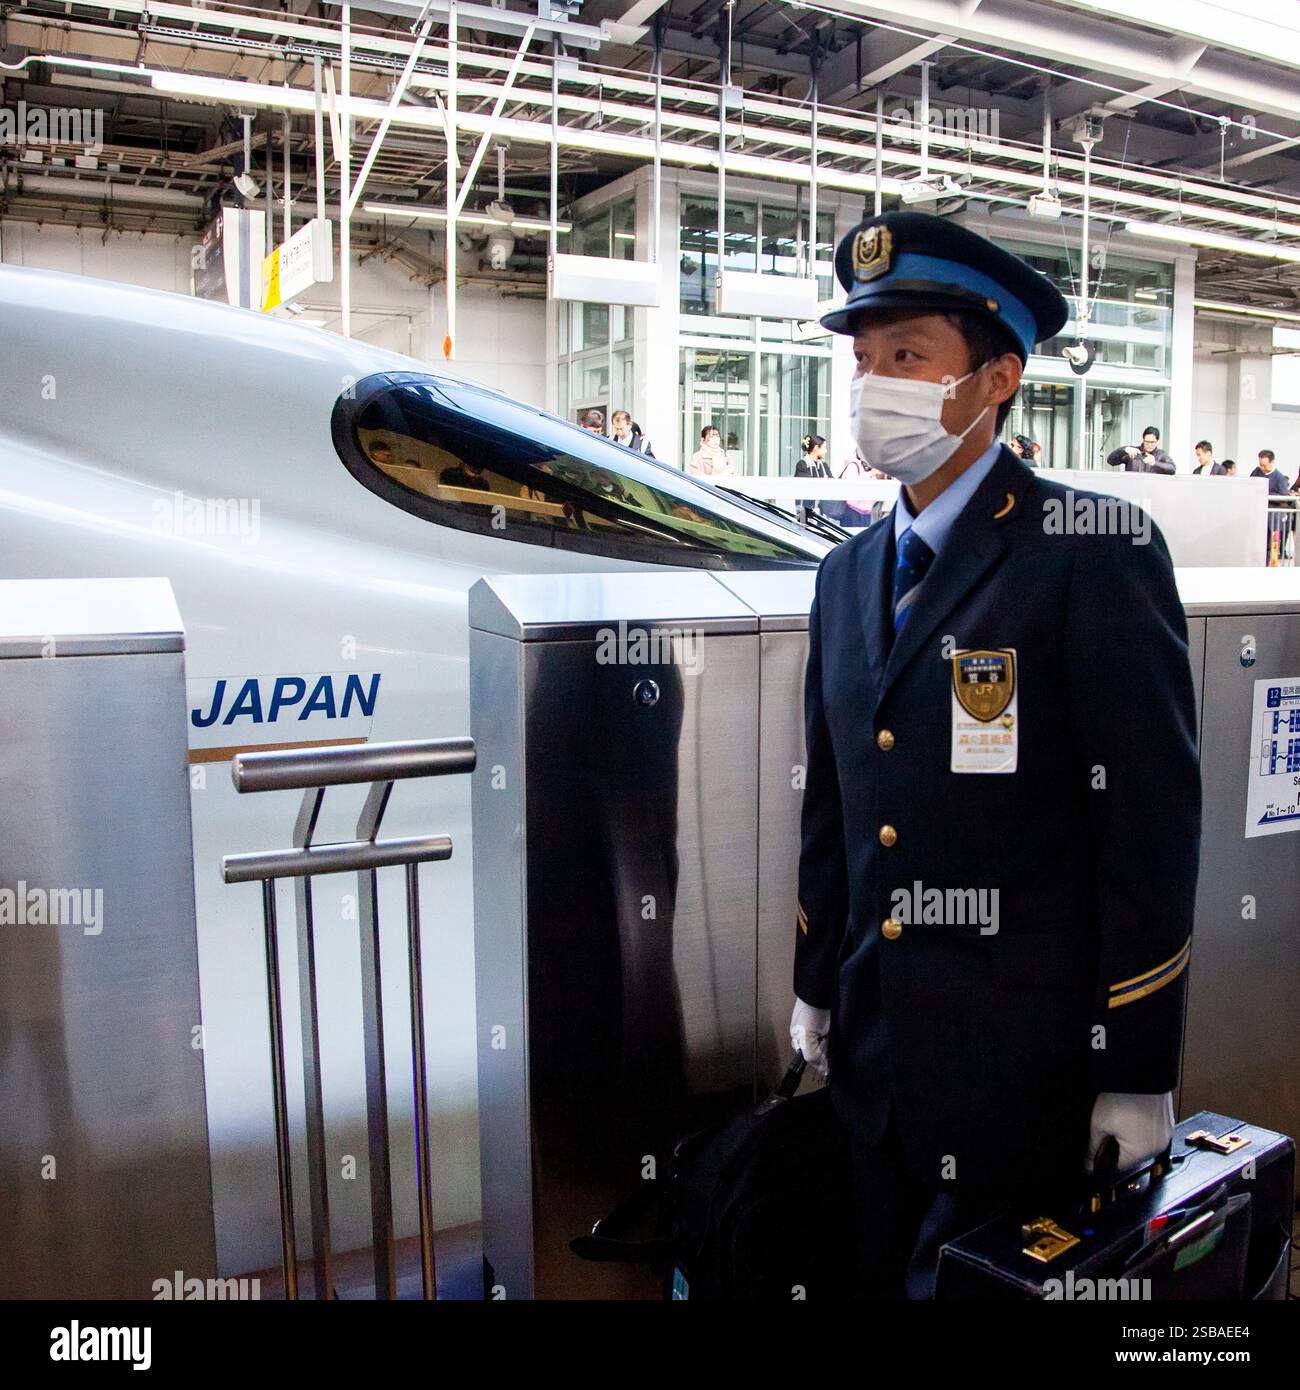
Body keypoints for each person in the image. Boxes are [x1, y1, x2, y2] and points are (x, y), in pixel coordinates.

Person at [789, 209, 1200, 1300]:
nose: (877, 384)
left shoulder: (1089, 553)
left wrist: (1138, 1070)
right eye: (866, 359)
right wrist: (813, 988)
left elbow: (1148, 830)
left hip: (1027, 1071)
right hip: (874, 1058)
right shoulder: (843, 578)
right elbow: (832, 803)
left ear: (998, 376)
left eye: (909, 357)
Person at [795, 433, 831, 514]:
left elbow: (831, 483)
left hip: (821, 511)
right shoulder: (802, 464)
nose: (826, 451)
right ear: (816, 448)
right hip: (804, 511)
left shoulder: (823, 465)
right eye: (824, 448)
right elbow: (809, 486)